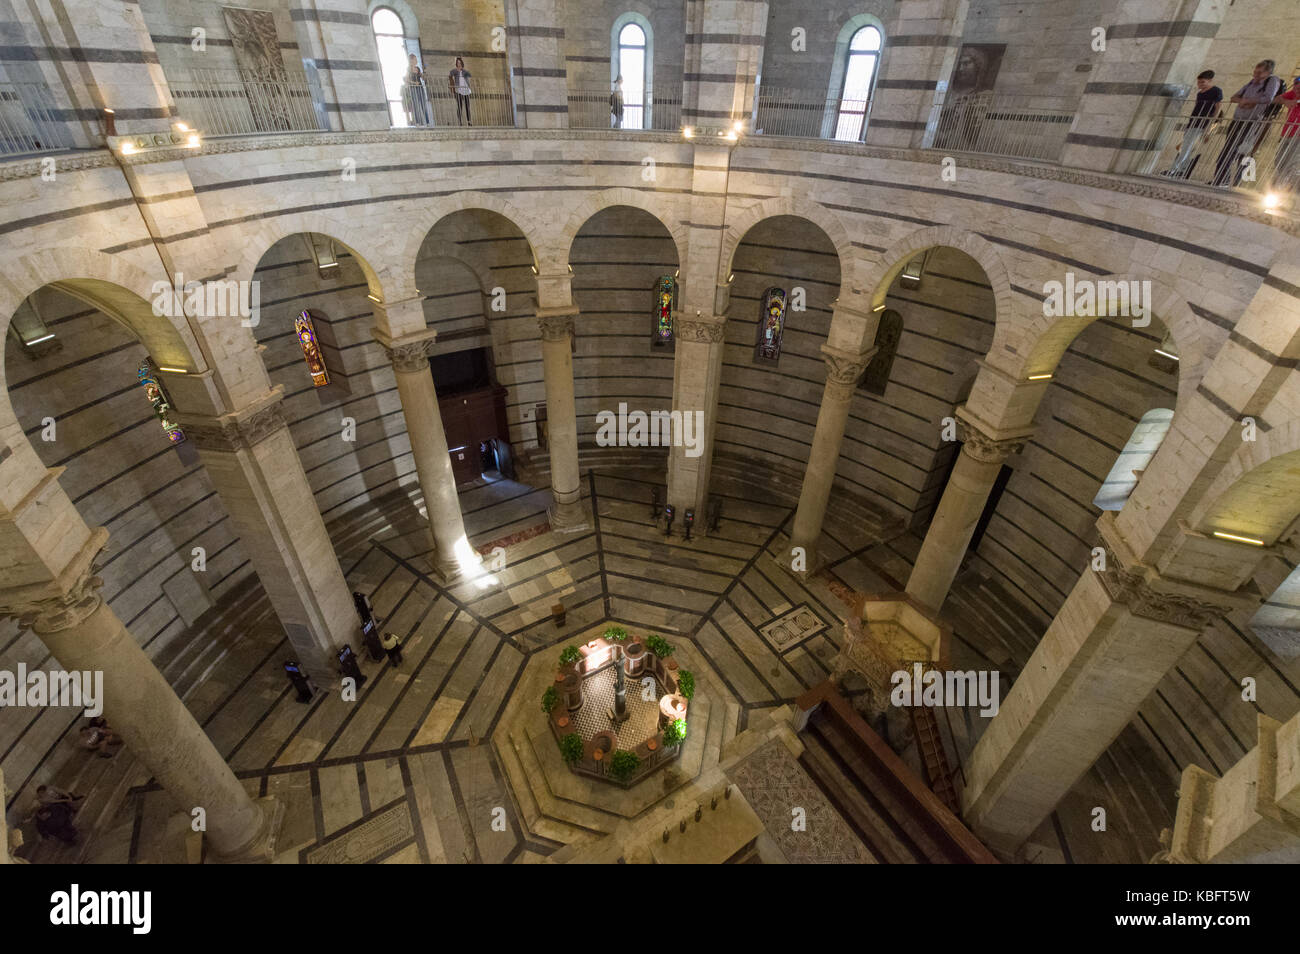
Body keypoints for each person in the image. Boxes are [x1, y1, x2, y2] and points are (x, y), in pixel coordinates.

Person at [1213, 60, 1284, 187]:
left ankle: (1230, 181)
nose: (1255, 74)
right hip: (1238, 119)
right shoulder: (1251, 83)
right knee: (1229, 149)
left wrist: (1251, 101)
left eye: (1259, 72)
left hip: (1253, 121)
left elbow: (1268, 98)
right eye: (1255, 71)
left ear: (1267, 72)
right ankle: (1221, 179)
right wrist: (1244, 101)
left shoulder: (1272, 81)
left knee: (1240, 150)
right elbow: (1234, 97)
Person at [1167, 70, 1222, 178]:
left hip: (1203, 122)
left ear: (1210, 81)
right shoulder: (1199, 93)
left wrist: (1210, 124)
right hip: (1194, 121)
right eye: (1198, 82)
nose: (1200, 85)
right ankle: (1181, 171)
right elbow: (1196, 106)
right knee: (1185, 146)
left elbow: (1218, 107)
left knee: (1188, 147)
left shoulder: (1216, 90)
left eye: (1203, 82)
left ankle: (1175, 170)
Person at [1270, 75, 1300, 190]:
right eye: (1296, 86)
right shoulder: (1292, 94)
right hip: (1286, 134)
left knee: (1293, 163)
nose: (1297, 89)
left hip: (1298, 137)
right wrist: (1286, 101)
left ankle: (1286, 189)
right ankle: (1280, 187)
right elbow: (1275, 99)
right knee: (1279, 161)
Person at [404, 54, 429, 126]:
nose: (416, 60)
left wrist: (425, 73)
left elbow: (423, 78)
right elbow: (406, 79)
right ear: (411, 60)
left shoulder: (418, 68)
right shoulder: (408, 69)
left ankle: (427, 122)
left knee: (423, 104)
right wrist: (414, 83)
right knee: (416, 105)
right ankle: (418, 122)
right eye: (415, 59)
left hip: (420, 88)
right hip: (413, 89)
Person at [449, 57, 472, 126]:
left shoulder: (464, 71)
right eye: (457, 63)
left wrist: (464, 71)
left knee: (467, 106)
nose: (459, 64)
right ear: (456, 64)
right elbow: (450, 73)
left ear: (462, 63)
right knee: (459, 106)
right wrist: (456, 70)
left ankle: (469, 121)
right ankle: (459, 121)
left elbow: (470, 75)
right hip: (458, 90)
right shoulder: (455, 71)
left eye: (460, 62)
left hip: (466, 89)